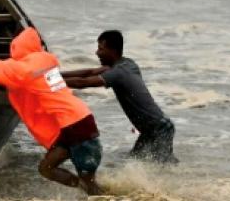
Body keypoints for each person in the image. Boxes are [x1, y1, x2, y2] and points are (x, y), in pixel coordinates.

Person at [0, 28, 102, 194]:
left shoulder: (25, 69)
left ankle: (100, 194)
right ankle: (93, 190)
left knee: (88, 183)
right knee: (46, 169)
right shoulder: (44, 62)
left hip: (74, 125)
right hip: (77, 121)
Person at [63, 30, 177, 164]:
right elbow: (89, 72)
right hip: (151, 129)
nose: (97, 52)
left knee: (161, 168)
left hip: (159, 129)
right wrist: (54, 75)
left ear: (113, 50)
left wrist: (48, 81)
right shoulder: (127, 64)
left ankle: (191, 182)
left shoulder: (118, 72)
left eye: (101, 49)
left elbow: (83, 83)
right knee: (135, 163)